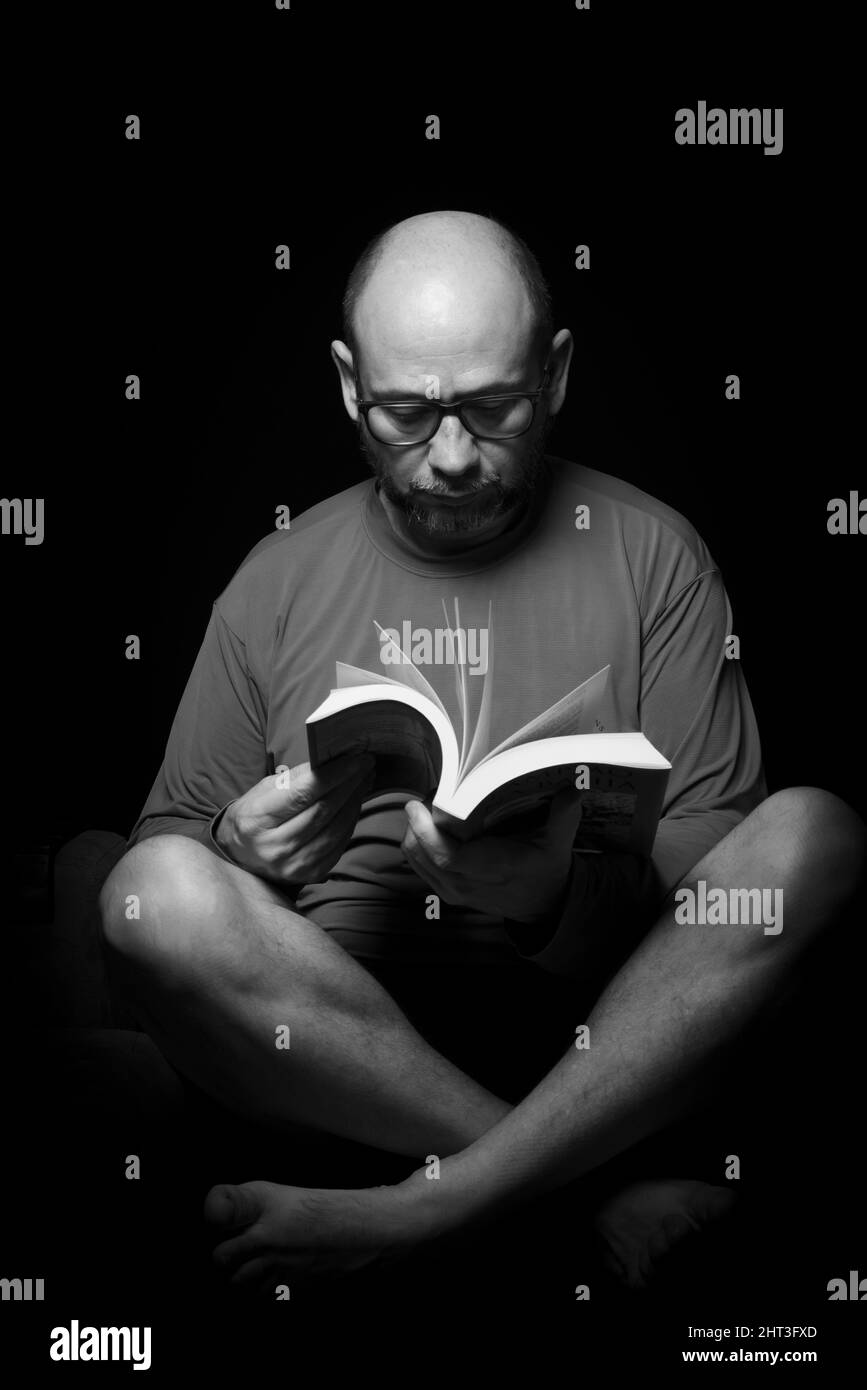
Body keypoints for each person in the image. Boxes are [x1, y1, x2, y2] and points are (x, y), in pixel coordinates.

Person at [99, 210, 865, 1295]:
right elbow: (156, 881)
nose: (452, 457)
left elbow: (728, 868)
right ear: (348, 385)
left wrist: (564, 891)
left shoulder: (656, 555)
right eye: (409, 415)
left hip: (610, 1042)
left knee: (817, 836)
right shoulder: (273, 579)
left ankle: (435, 1206)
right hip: (339, 1055)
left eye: (491, 408)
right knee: (149, 888)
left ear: (552, 376)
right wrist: (241, 845)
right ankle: (574, 1189)